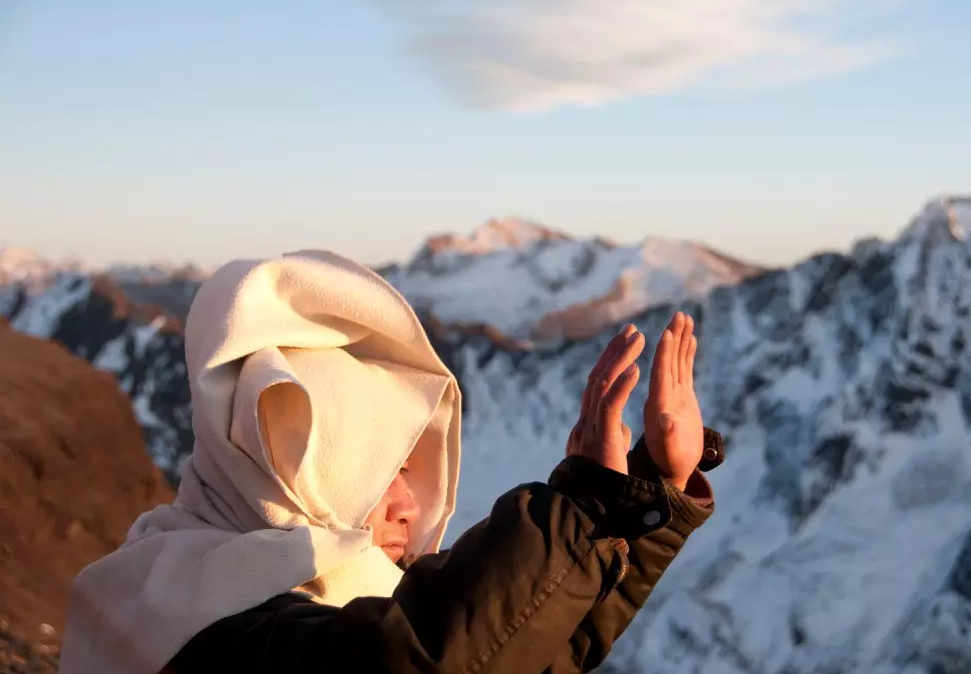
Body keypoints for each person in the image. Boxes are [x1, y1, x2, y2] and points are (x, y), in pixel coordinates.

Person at [57, 250, 724, 674]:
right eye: (377, 470)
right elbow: (418, 661)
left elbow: (523, 651)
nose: (411, 503)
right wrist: (583, 508)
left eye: (413, 469)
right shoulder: (211, 627)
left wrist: (651, 489)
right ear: (289, 470)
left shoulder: (178, 579)